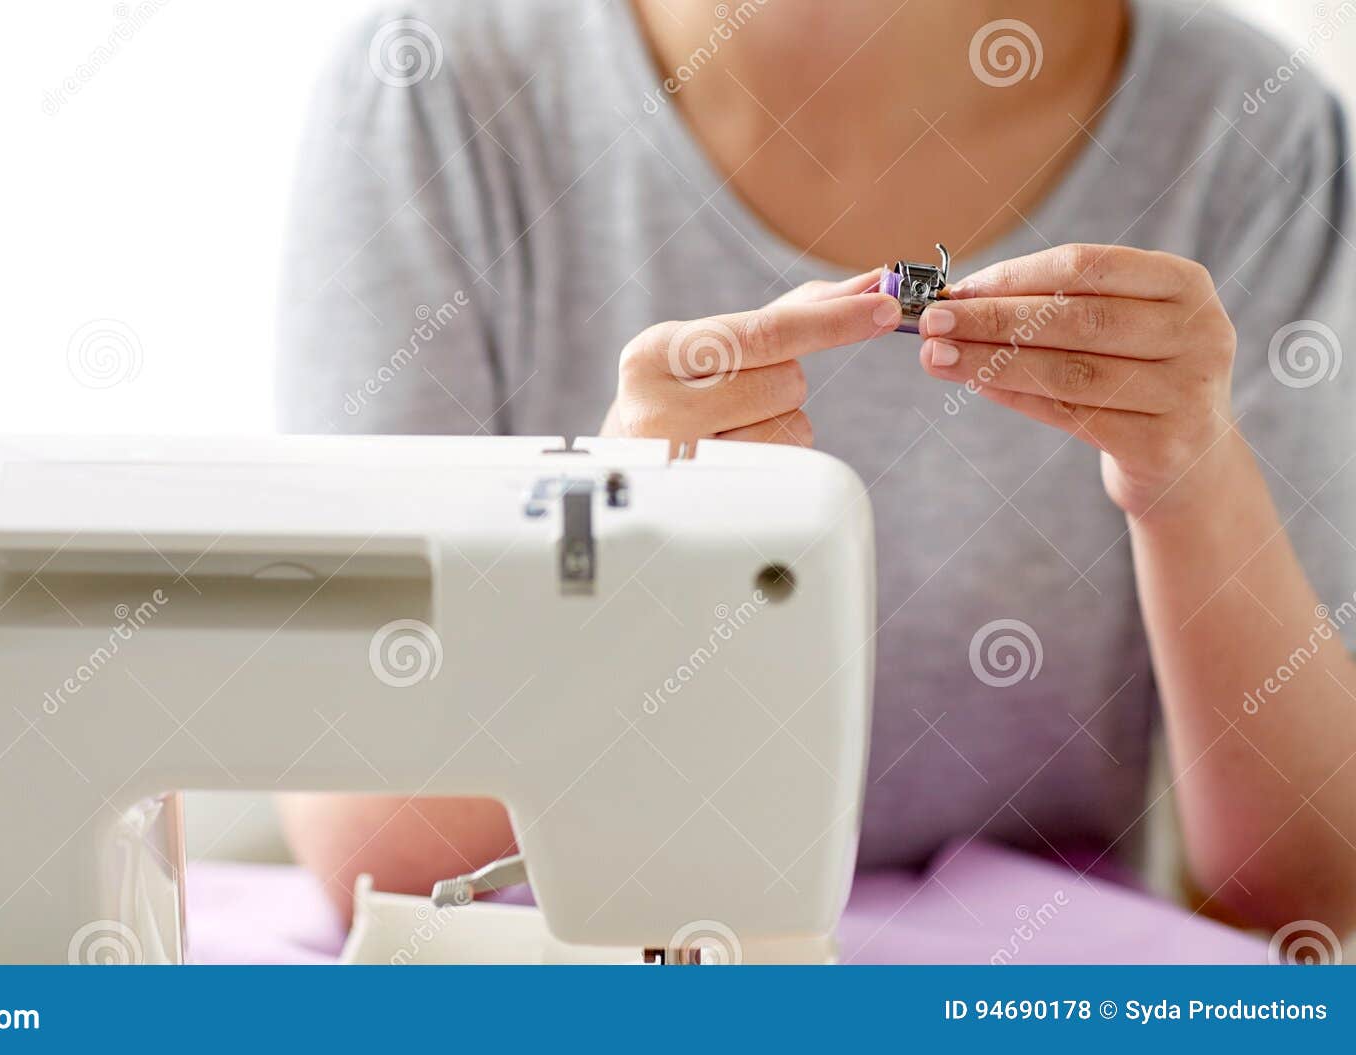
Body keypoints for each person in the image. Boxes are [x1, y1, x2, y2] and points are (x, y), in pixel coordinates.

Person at [276, 0, 1356, 938]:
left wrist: (1192, 482)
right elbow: (377, 852)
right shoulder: (430, 90)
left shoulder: (1254, 130)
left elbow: (1311, 892)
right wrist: (613, 558)